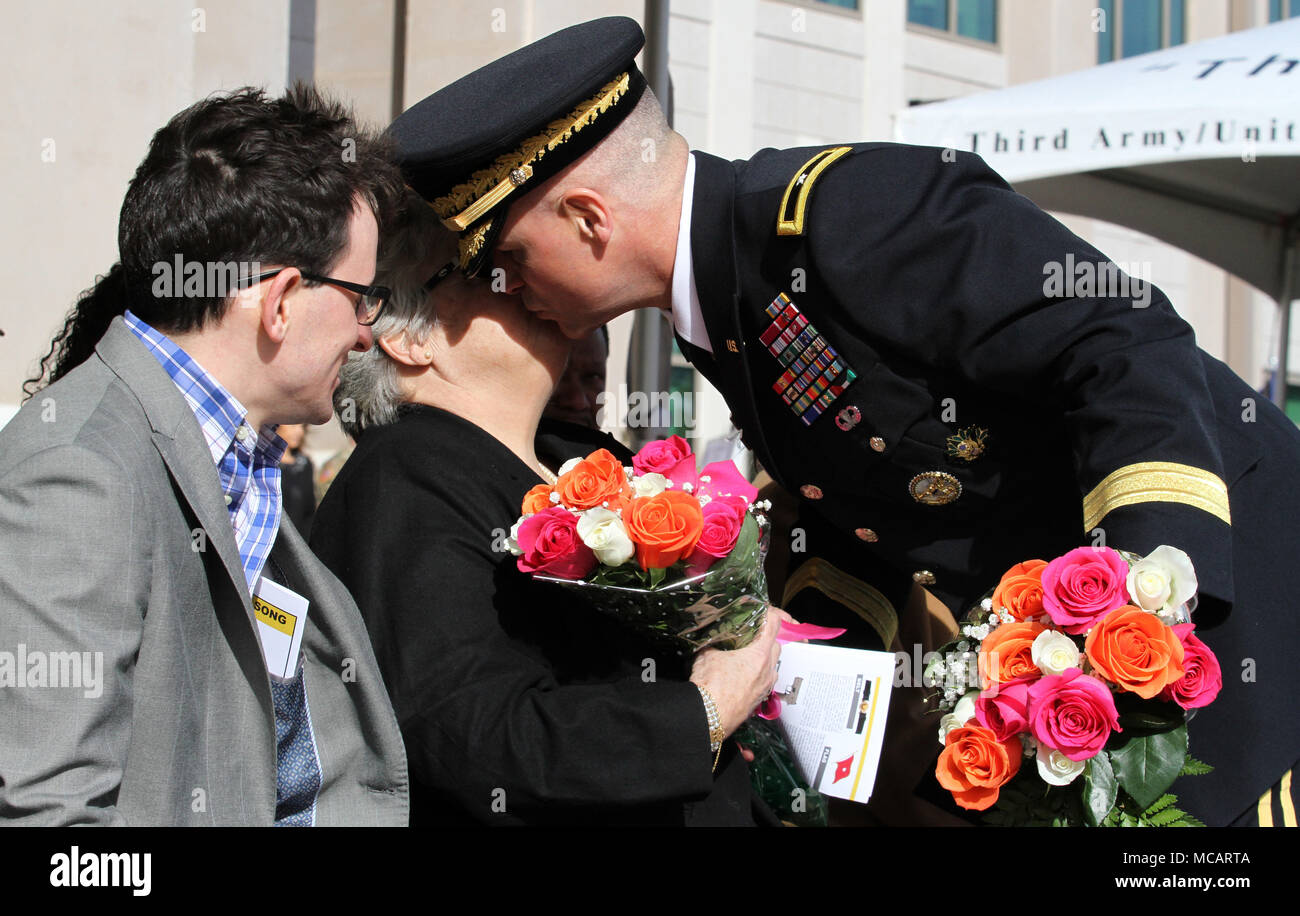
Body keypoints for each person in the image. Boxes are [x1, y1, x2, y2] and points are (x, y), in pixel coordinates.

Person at [387, 16, 1300, 827]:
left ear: (587, 218)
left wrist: (1144, 595)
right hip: (1058, 675)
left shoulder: (849, 215)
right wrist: (801, 684)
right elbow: (857, 505)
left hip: (1229, 606)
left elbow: (1125, 343)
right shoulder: (724, 300)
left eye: (507, 254)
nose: (511, 289)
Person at [0, 86, 408, 826]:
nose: (364, 335)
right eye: (362, 296)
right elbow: (50, 823)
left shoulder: (229, 458)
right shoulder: (79, 472)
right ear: (282, 300)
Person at [308, 191, 783, 826]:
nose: (528, 278)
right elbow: (470, 733)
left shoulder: (574, 455)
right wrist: (705, 712)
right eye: (488, 269)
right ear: (411, 338)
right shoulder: (406, 473)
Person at [277, 423, 317, 538]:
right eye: (293, 426)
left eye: (302, 427)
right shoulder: (265, 465)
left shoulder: (304, 464)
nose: (299, 432)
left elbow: (309, 509)